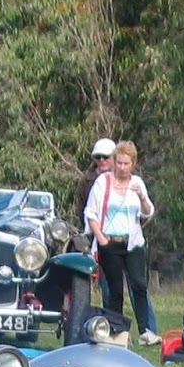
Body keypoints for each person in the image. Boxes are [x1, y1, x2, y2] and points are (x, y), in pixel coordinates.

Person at [72, 137, 155, 337]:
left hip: (132, 242)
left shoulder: (137, 183)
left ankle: (147, 331)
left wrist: (142, 197)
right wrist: (100, 239)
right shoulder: (98, 182)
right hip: (109, 242)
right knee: (113, 289)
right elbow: (89, 212)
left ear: (132, 164)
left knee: (139, 285)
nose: (122, 167)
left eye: (126, 163)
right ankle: (118, 330)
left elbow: (148, 212)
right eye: (119, 162)